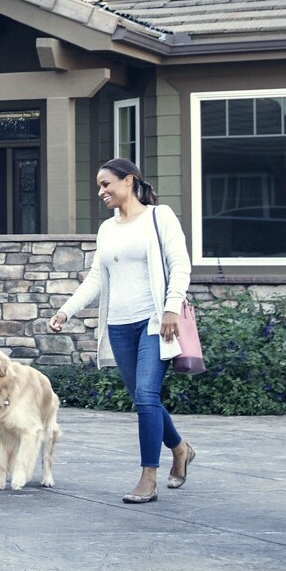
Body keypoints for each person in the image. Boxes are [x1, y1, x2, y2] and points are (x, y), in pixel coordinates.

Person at [47, 158, 197, 504]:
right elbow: (99, 278)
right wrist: (66, 311)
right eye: (99, 186)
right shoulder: (108, 229)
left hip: (154, 322)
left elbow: (180, 266)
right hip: (118, 326)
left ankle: (148, 478)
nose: (101, 191)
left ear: (128, 181)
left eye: (106, 184)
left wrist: (172, 308)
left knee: (147, 396)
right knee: (143, 400)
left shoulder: (160, 217)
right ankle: (180, 449)